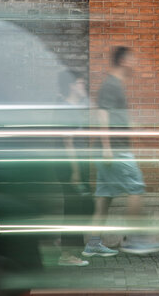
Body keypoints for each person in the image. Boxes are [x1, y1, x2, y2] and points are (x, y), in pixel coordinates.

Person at [83, 47, 159, 257]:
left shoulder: (116, 85)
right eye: (131, 59)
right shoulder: (111, 84)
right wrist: (108, 149)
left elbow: (116, 118)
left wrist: (134, 127)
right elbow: (102, 115)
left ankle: (93, 243)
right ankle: (135, 240)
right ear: (122, 61)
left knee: (104, 198)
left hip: (110, 149)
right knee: (136, 188)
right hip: (114, 150)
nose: (134, 63)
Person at [56, 70, 91, 266]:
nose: (83, 85)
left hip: (73, 164)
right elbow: (67, 142)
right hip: (69, 166)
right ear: (71, 85)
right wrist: (75, 171)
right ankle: (66, 254)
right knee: (73, 209)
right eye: (79, 83)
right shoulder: (66, 108)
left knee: (78, 207)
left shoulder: (72, 106)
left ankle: (66, 249)